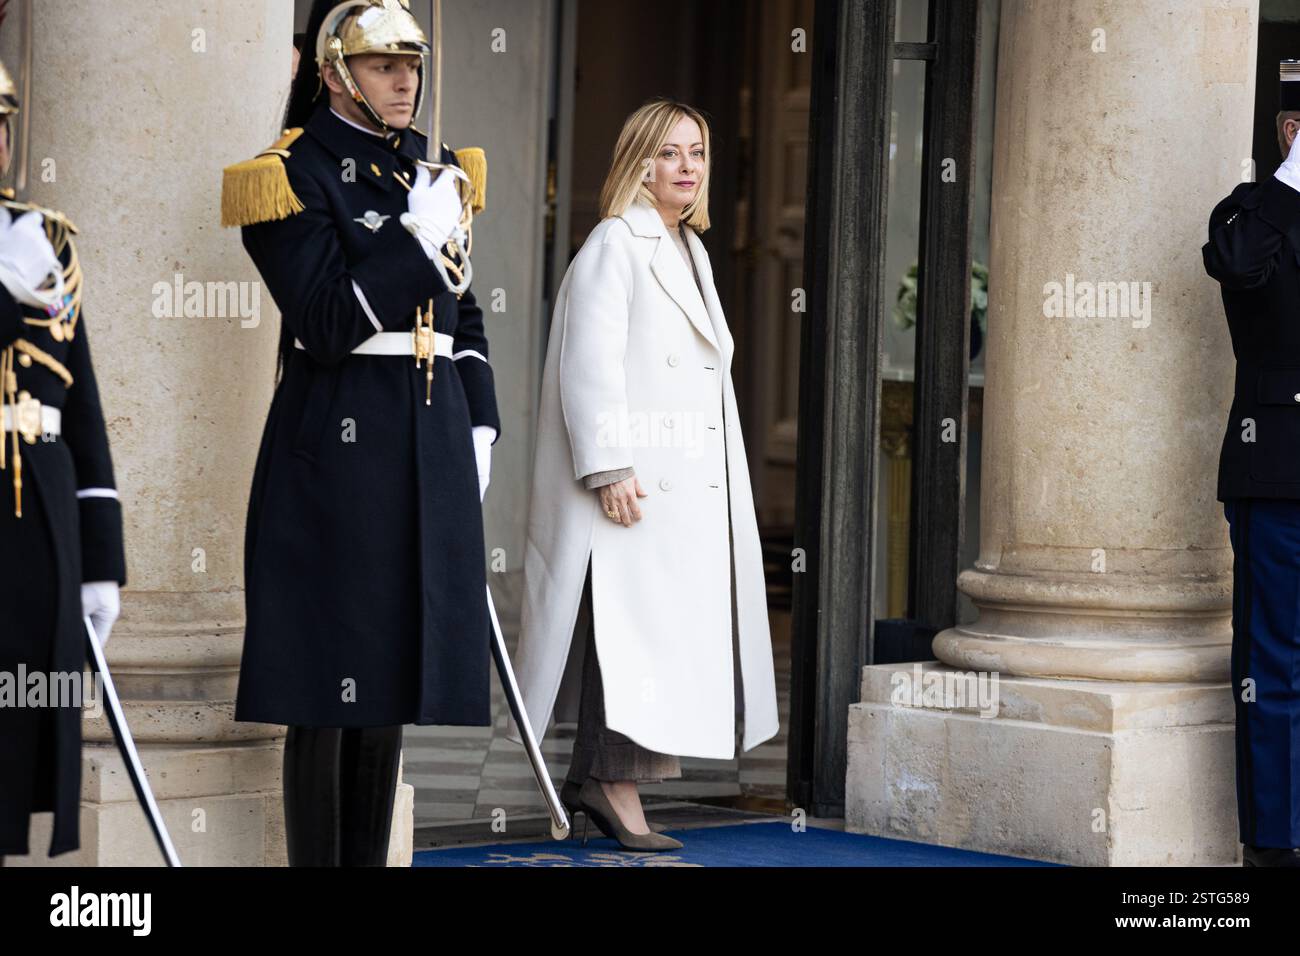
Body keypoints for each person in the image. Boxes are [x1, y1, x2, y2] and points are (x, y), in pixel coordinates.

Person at [221, 0, 500, 867]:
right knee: (328, 691)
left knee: (390, 687)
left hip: (429, 436)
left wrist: (480, 418)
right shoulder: (291, 172)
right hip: (338, 448)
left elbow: (464, 312)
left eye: (411, 64)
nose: (405, 81)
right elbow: (326, 319)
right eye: (384, 66)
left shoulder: (439, 167)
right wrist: (415, 242)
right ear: (336, 75)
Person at [506, 98, 779, 851]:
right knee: (625, 640)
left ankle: (605, 780)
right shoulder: (614, 244)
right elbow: (587, 365)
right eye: (669, 154)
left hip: (678, 489)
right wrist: (609, 466)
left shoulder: (688, 248)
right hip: (630, 488)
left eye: (696, 153)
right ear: (639, 163)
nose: (686, 168)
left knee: (643, 640)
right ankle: (611, 786)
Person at [0, 52, 126, 864]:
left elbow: (81, 406)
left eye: (1, 125)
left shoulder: (38, 238)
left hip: (35, 510)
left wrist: (101, 560)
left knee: (18, 729)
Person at [1201, 58, 1300, 868]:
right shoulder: (1252, 216)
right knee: (1273, 664)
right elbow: (1238, 267)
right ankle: (1274, 847)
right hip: (1279, 478)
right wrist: (1293, 177)